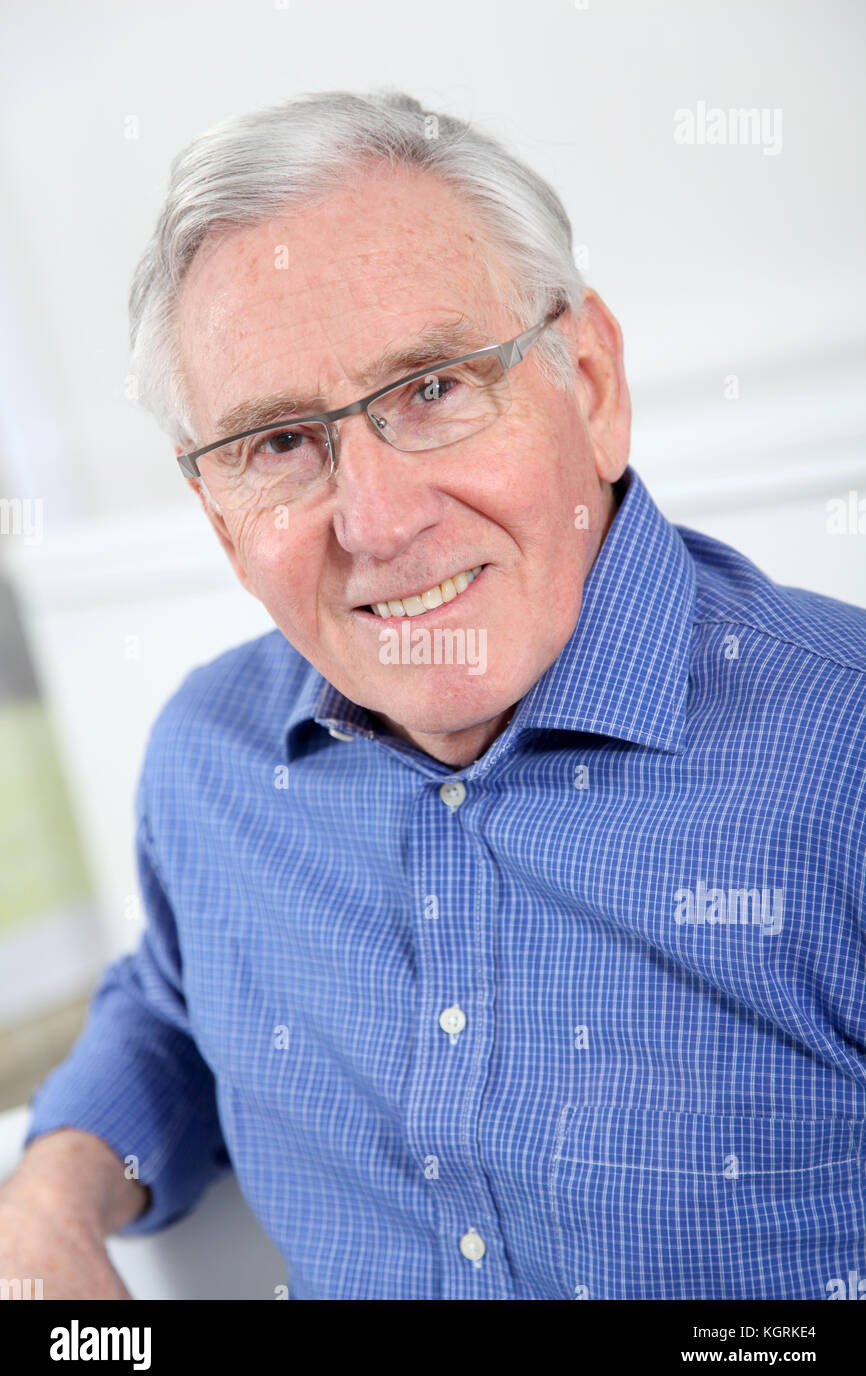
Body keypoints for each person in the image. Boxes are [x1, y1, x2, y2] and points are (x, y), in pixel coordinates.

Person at [2, 90, 865, 1301]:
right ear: (217, 518)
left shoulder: (846, 753)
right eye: (279, 443)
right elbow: (172, 1004)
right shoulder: (210, 761)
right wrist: (46, 1199)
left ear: (592, 382)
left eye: (433, 387)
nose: (376, 519)